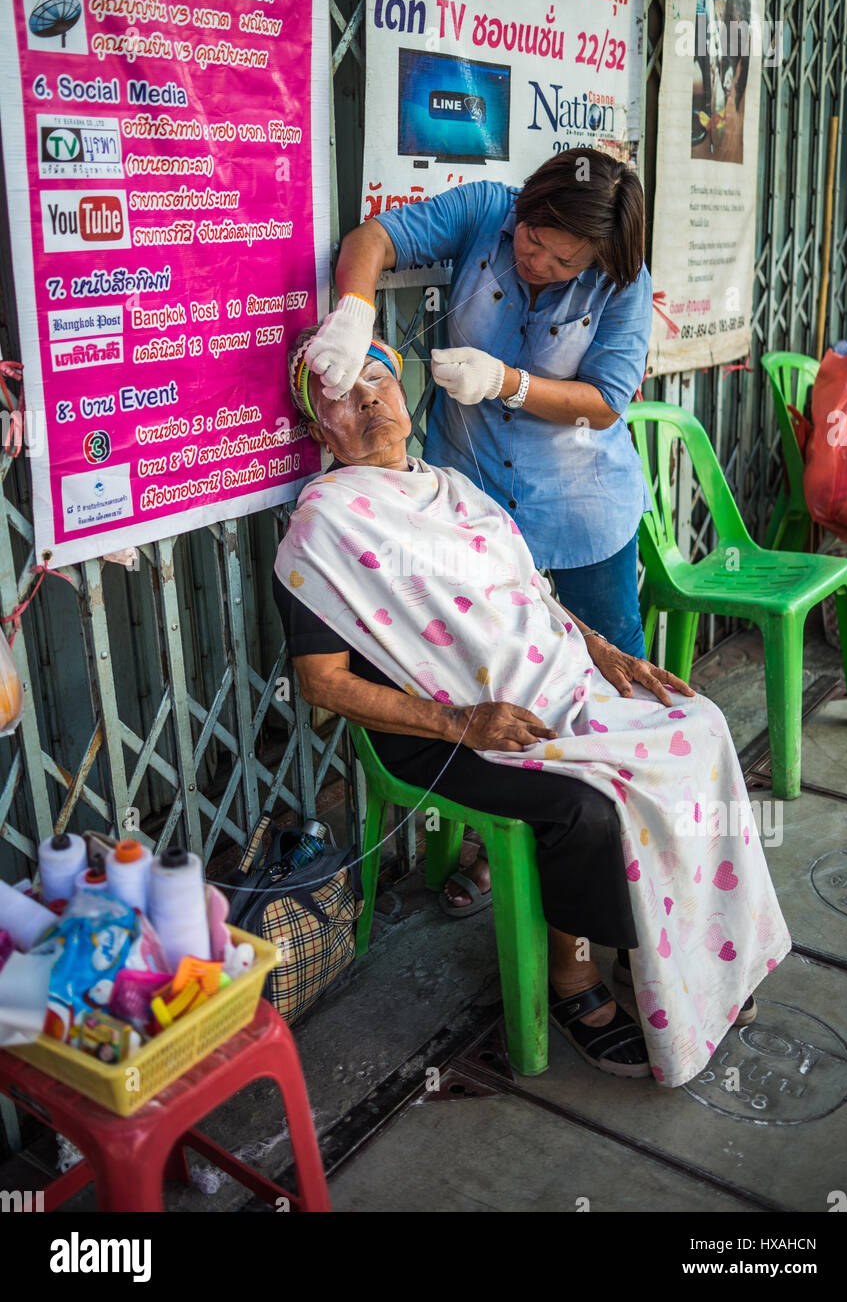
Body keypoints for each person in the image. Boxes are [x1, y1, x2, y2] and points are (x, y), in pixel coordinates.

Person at [271, 328, 791, 1087]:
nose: (368, 402)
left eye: (377, 382)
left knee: (701, 725)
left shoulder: (452, 489)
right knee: (587, 809)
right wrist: (460, 722)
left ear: (406, 397)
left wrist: (604, 653)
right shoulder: (323, 528)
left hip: (559, 682)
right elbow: (321, 684)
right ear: (322, 432)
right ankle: (573, 977)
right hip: (439, 729)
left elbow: (532, 598)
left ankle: (673, 938)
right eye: (342, 399)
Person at [304, 147, 654, 912]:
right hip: (478, 510)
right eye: (531, 240)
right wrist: (354, 314)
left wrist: (507, 383)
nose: (535, 261)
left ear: (598, 257)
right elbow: (371, 242)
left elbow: (605, 400)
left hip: (580, 510)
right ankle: (492, 842)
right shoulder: (486, 211)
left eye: (563, 260)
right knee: (487, 682)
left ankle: (618, 879)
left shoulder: (621, 283)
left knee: (603, 695)